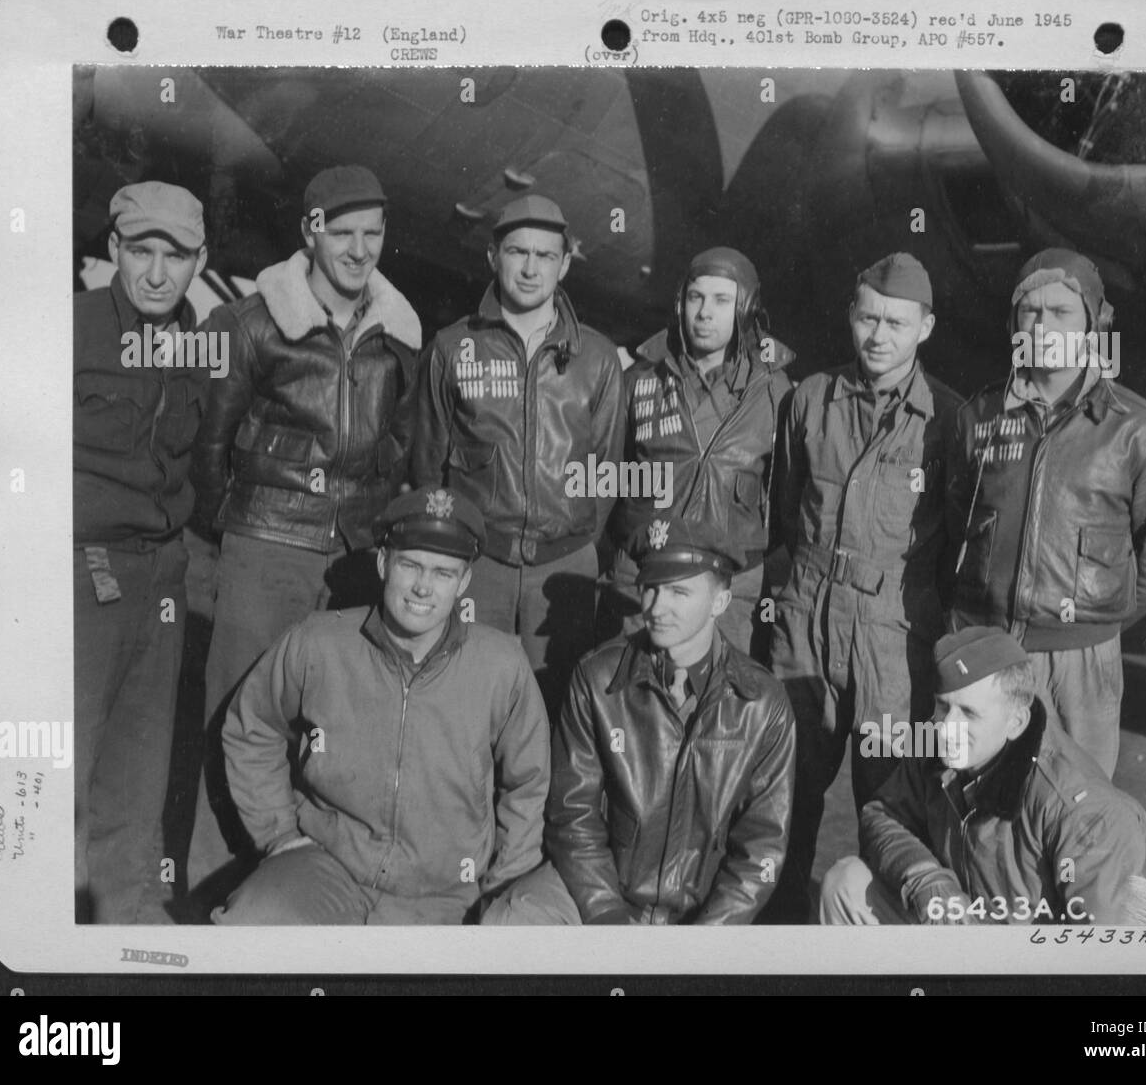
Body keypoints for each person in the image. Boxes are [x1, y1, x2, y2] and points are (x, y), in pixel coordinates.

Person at [188, 165, 424, 905]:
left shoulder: (398, 338)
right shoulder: (252, 323)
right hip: (269, 545)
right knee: (238, 715)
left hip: (353, 557)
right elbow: (208, 450)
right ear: (310, 233)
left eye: (373, 233)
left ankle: (308, 896)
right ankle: (211, 892)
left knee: (332, 729)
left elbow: (401, 443)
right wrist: (252, 526)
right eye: (344, 231)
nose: (360, 249)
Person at [211, 485, 550, 925]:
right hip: (329, 871)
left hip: (446, 892)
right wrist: (278, 833)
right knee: (251, 926)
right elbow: (251, 725)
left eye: (444, 573)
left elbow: (528, 784)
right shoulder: (319, 642)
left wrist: (501, 892)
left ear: (464, 582)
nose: (423, 588)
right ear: (383, 563)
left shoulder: (501, 664)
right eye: (410, 565)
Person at [765, 252, 962, 923]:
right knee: (782, 791)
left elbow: (954, 546)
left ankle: (878, 946)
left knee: (891, 806)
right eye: (868, 318)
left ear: (925, 328)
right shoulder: (809, 400)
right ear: (852, 317)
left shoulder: (948, 420)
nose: (879, 336)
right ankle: (774, 929)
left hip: (895, 646)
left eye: (897, 323)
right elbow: (787, 515)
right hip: (806, 630)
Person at [485, 516, 795, 926]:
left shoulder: (762, 703)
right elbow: (571, 814)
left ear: (721, 601)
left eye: (678, 592)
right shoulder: (597, 680)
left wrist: (708, 939)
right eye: (651, 587)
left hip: (704, 915)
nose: (656, 607)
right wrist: (607, 914)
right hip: (601, 894)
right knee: (511, 921)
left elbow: (762, 848)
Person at [947, 248, 1146, 776]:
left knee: (1076, 812)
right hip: (989, 652)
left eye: (1062, 312)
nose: (1043, 325)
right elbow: (956, 531)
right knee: (982, 813)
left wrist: (1088, 624)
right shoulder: (976, 418)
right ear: (1013, 324)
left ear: (1094, 325)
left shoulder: (1138, 432)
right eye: (1030, 311)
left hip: (1081, 666)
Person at [410, 194, 624, 716]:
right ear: (492, 257)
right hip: (480, 563)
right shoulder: (451, 347)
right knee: (462, 707)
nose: (530, 269)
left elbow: (606, 473)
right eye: (517, 252)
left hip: (564, 569)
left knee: (556, 715)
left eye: (546, 256)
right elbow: (427, 466)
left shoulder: (597, 358)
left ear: (565, 264)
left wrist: (571, 540)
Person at [73, 180, 210, 922]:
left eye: (177, 255)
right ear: (115, 251)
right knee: (63, 767)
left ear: (201, 261)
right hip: (81, 570)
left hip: (163, 572)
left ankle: (123, 924)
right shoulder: (72, 326)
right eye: (142, 251)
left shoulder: (199, 347)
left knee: (140, 768)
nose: (158, 272)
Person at [820, 627, 1146, 926]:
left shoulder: (1087, 813)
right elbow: (883, 814)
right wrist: (925, 879)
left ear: (1016, 722)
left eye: (969, 713)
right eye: (943, 706)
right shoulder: (935, 740)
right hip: (958, 929)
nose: (947, 727)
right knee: (846, 885)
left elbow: (1110, 951)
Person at [600, 247, 794, 659]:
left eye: (722, 300)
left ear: (746, 308)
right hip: (644, 578)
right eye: (696, 298)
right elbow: (606, 480)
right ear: (680, 303)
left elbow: (786, 506)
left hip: (729, 588)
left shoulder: (776, 393)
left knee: (720, 706)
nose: (705, 313)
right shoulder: (638, 379)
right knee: (629, 697)